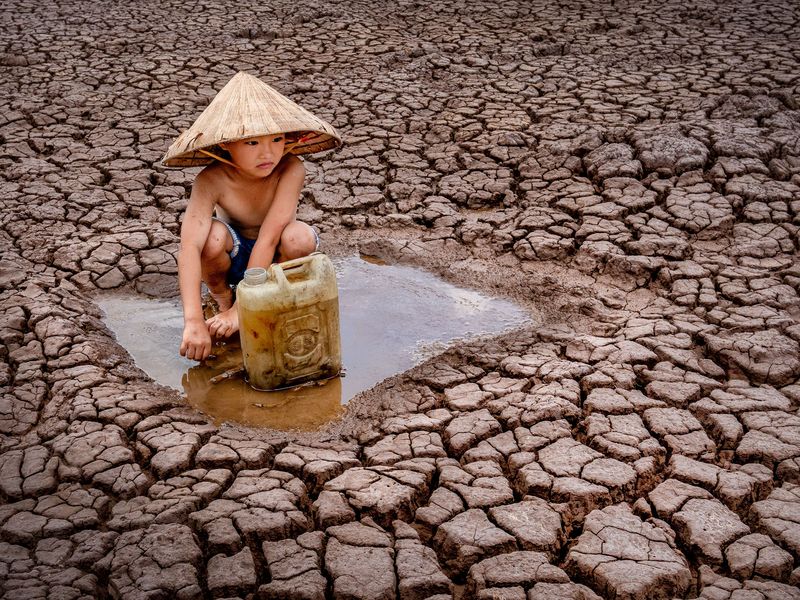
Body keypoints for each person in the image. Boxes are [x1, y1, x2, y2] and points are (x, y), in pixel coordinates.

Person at [162, 72, 342, 361]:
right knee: (210, 238)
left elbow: (270, 237)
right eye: (251, 143)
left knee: (299, 237)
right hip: (233, 255)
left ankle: (269, 301)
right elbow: (189, 246)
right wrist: (193, 321)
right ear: (225, 144)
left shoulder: (291, 167)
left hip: (276, 258)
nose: (267, 153)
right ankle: (222, 298)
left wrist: (243, 309)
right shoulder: (211, 179)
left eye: (276, 138)